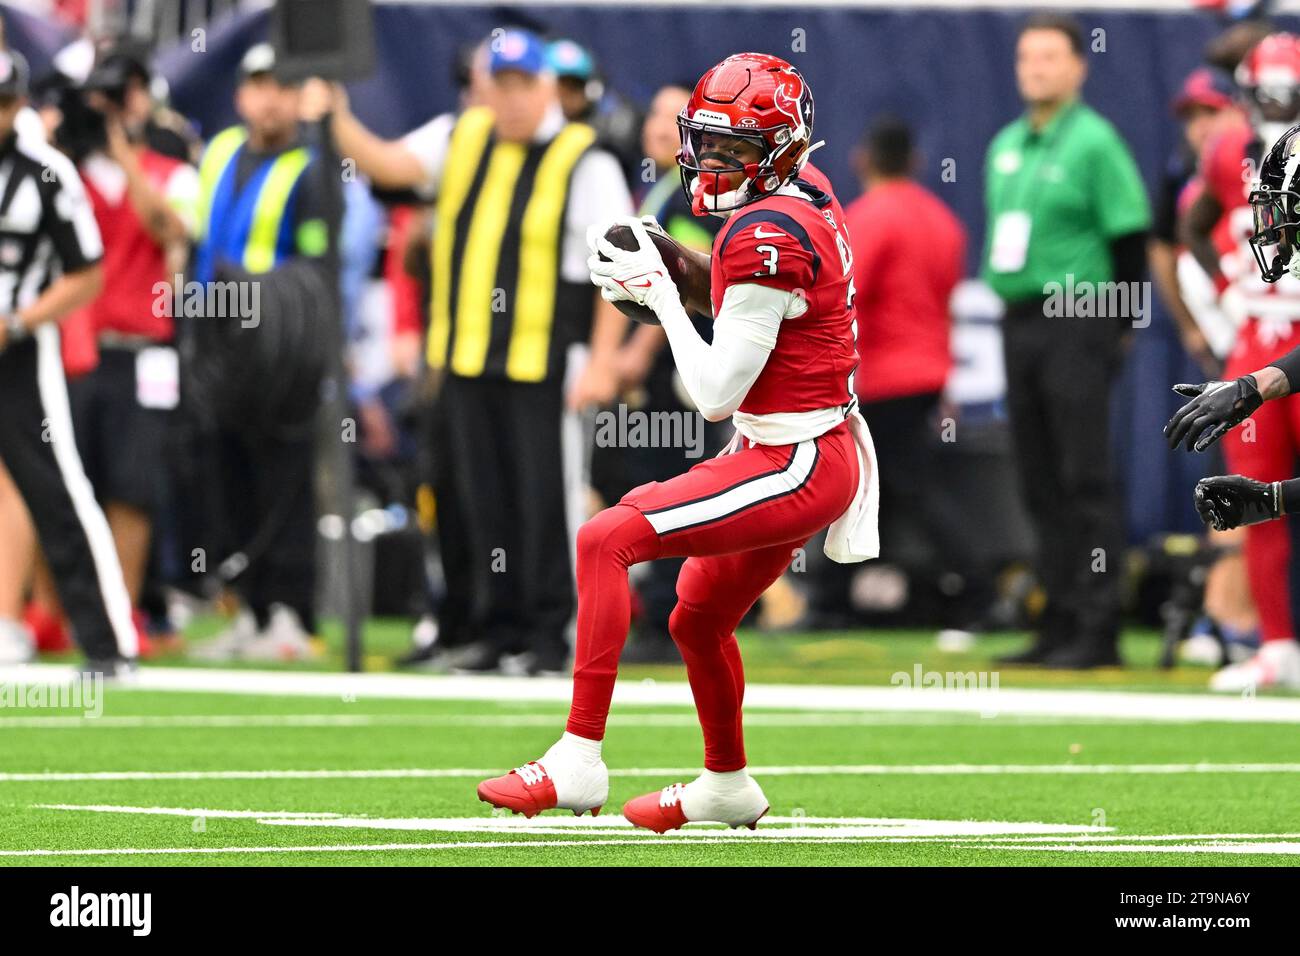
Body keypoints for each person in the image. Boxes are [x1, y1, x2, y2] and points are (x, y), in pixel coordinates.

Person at [476, 53, 878, 831]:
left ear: (782, 149)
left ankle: (577, 760)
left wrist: (661, 295)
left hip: (793, 456)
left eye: (735, 151)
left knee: (604, 537)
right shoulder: (802, 195)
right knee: (695, 617)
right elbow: (740, 297)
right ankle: (725, 783)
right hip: (796, 445)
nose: (714, 163)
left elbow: (715, 392)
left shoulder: (768, 232)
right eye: (708, 143)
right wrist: (669, 254)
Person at [309, 29, 631, 675]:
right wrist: (337, 117)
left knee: (544, 501)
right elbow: (391, 165)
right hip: (464, 357)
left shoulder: (584, 158)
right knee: (476, 498)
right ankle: (494, 626)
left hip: (544, 358)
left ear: (546, 89)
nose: (508, 100)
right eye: (497, 85)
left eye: (521, 86)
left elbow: (620, 265)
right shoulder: (460, 137)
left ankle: (549, 634)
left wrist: (603, 359)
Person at [982, 13, 1150, 669]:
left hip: (1077, 316)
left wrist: (1119, 328)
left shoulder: (1095, 143)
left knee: (1085, 474)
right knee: (1037, 476)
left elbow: (1130, 238)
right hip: (1018, 317)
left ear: (1079, 66)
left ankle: (1099, 623)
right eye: (1027, 57)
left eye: (1050, 57)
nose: (1036, 69)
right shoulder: (1005, 145)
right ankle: (1054, 619)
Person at [189, 44, 336, 661]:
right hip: (214, 349)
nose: (269, 98)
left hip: (280, 357)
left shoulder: (312, 168)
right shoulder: (220, 153)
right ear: (241, 95)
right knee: (226, 477)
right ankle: (246, 607)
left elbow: (316, 266)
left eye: (282, 85)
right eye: (258, 85)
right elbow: (194, 236)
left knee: (286, 477)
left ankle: (288, 612)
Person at [0, 49, 136, 674]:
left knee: (56, 492)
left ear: (18, 105)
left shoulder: (47, 173)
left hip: (20, 354)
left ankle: (107, 645)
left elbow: (87, 273)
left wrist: (20, 320)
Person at [1178, 34, 1300, 689]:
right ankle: (1277, 644)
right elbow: (1192, 226)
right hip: (1261, 339)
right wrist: (1231, 295)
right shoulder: (1232, 152)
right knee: (1254, 499)